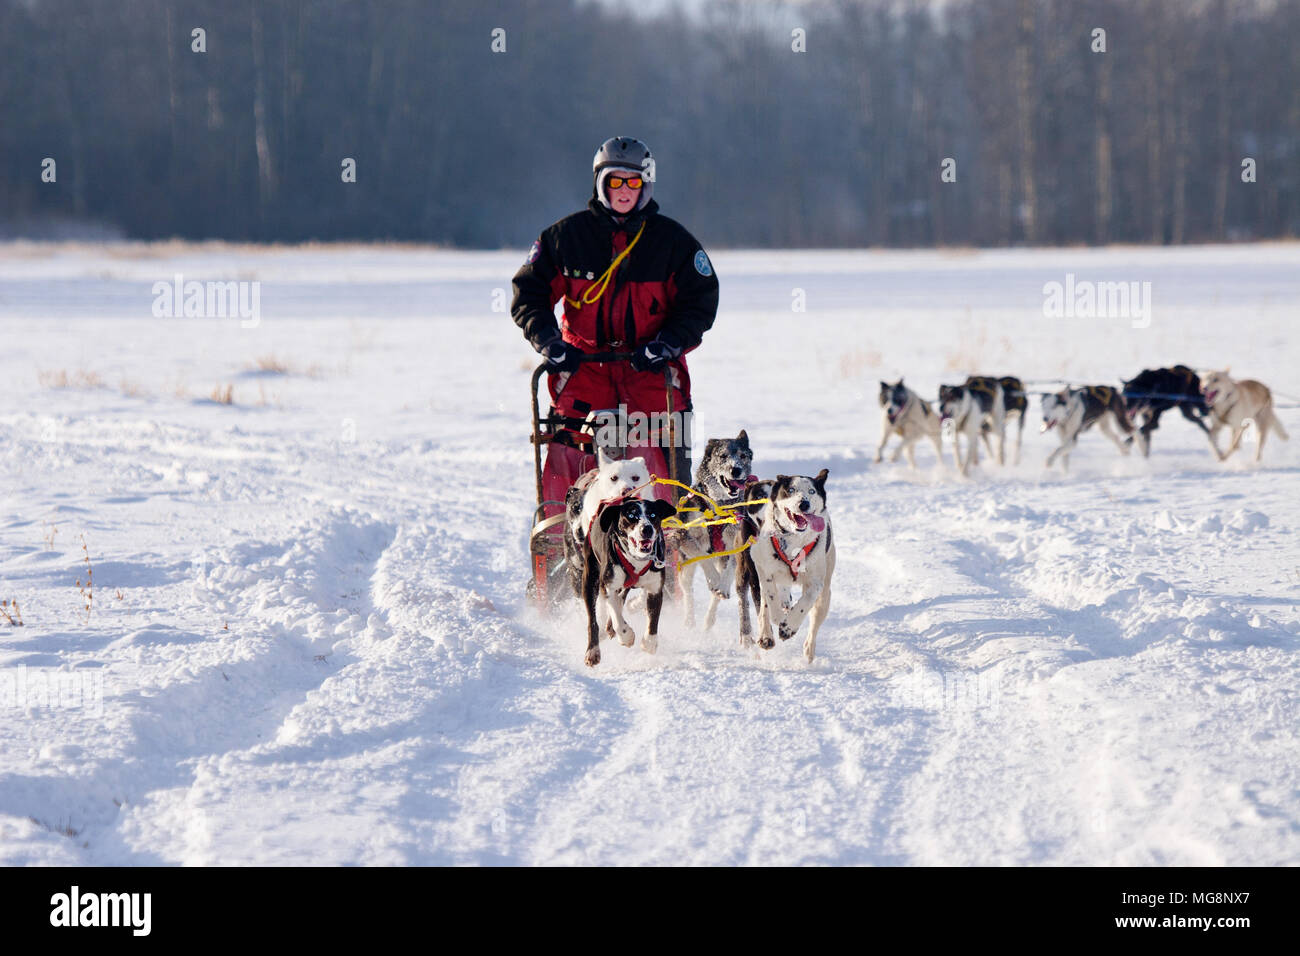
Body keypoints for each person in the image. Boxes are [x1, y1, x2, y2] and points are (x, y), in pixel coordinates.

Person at [512, 136, 719, 515]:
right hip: (583, 365)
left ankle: (665, 547)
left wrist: (668, 344)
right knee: (567, 455)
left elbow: (699, 301)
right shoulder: (565, 238)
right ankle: (561, 549)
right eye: (615, 181)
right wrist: (549, 343)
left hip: (650, 367)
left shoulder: (673, 243)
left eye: (633, 182)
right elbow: (529, 293)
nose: (624, 190)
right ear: (600, 183)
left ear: (646, 184)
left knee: (656, 457)